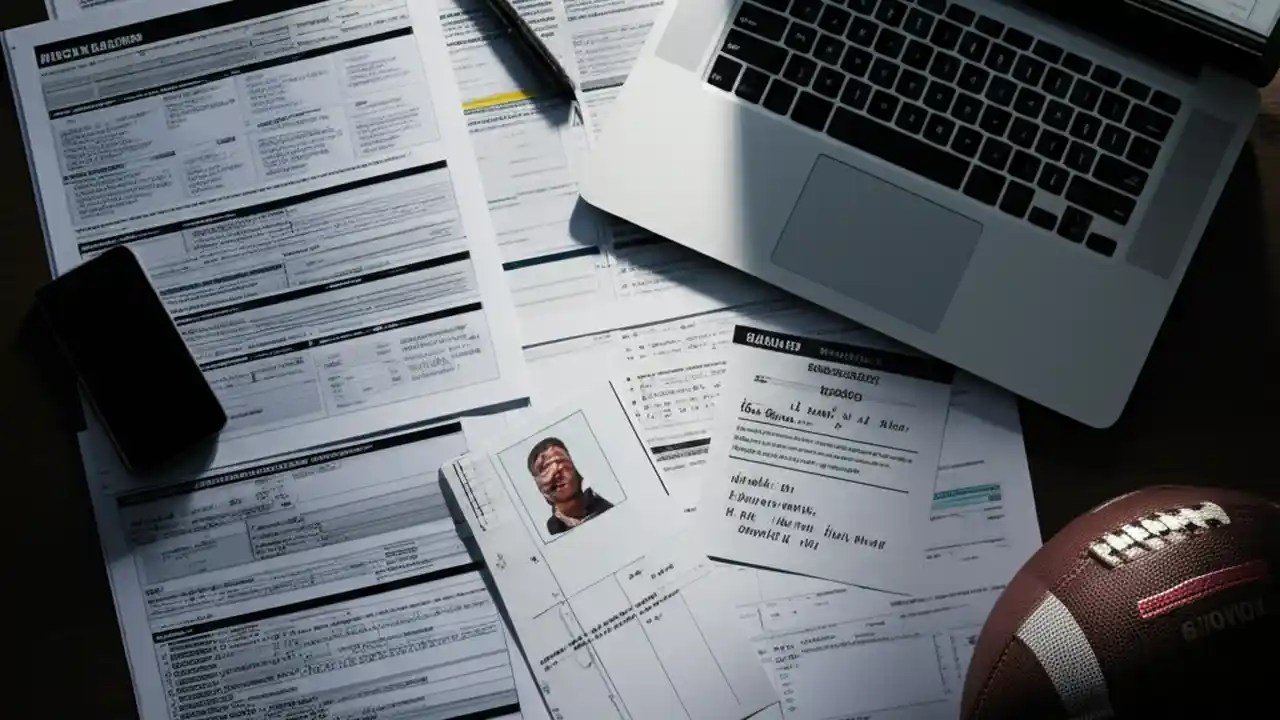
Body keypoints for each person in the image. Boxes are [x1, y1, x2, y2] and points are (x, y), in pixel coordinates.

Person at [527, 437, 613, 535]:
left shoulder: (605, 507)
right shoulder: (550, 533)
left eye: (561, 462)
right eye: (545, 468)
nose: (556, 472)